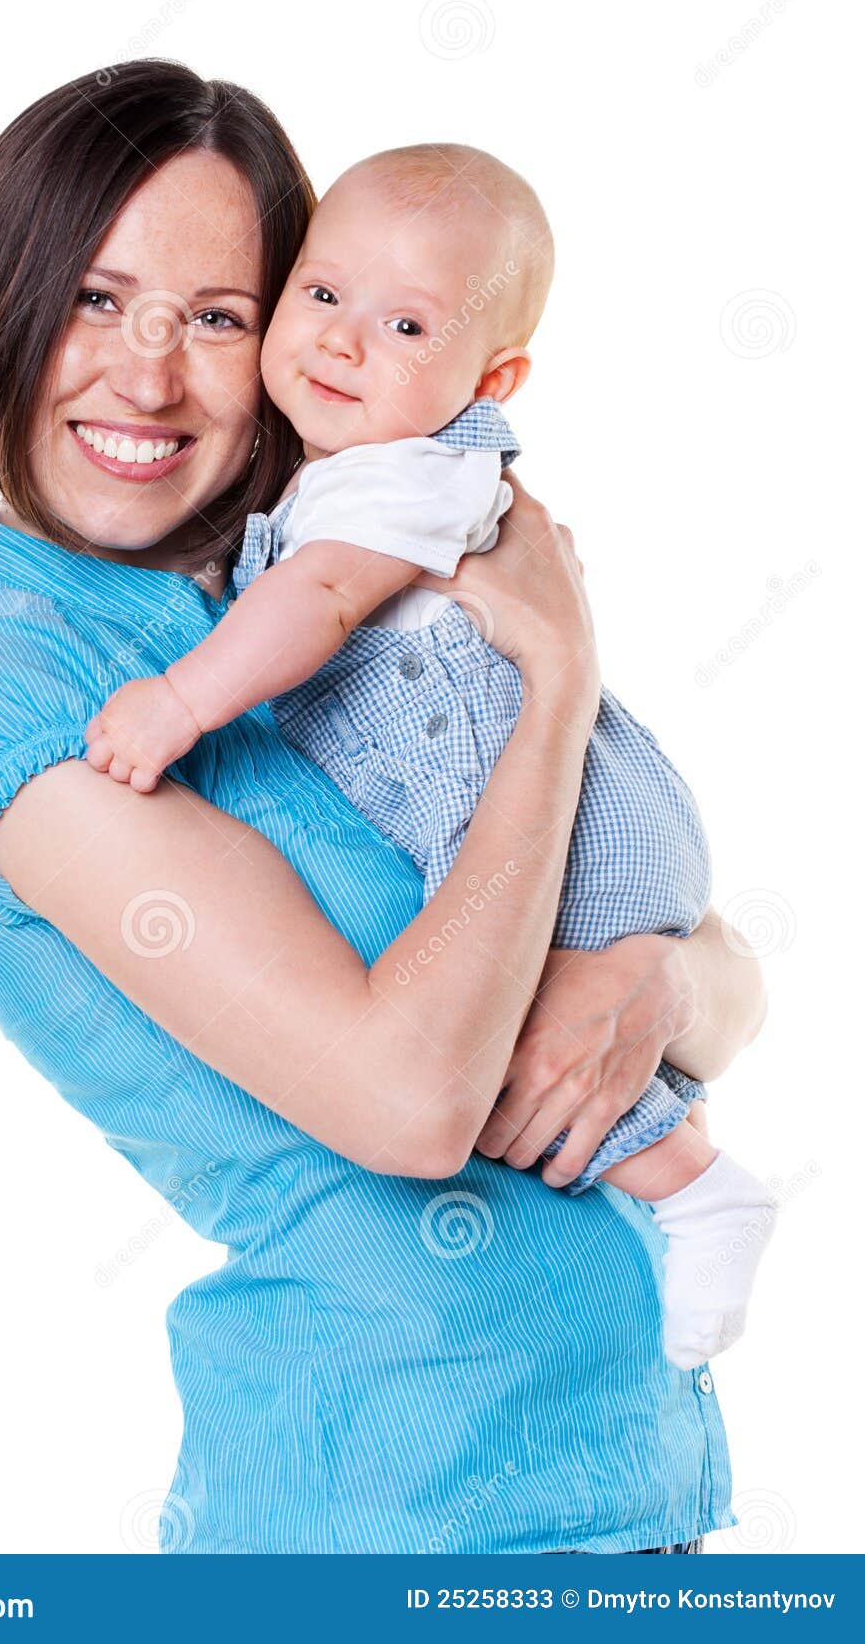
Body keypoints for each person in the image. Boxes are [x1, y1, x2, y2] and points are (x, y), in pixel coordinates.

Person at [0, 60, 767, 1553]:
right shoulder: (14, 690)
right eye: (94, 299)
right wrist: (554, 678)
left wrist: (659, 972)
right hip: (388, 1517)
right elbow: (412, 1101)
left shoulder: (319, 588)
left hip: (622, 1498)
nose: (149, 374)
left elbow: (703, 962)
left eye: (217, 315)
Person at [84, 144, 777, 1372]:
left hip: (550, 815)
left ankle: (700, 1187)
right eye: (322, 297)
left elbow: (320, 603)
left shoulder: (401, 480)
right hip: (569, 792)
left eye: (405, 322)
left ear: (490, 375)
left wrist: (181, 701)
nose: (344, 342)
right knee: (529, 1012)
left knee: (508, 1021)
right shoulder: (347, 469)